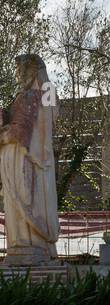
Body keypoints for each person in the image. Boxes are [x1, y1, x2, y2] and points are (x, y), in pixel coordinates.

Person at [0, 55, 59, 266]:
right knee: (23, 201)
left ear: (31, 70)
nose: (17, 75)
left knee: (27, 199)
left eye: (19, 70)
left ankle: (30, 245)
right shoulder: (38, 94)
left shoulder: (36, 94)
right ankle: (29, 246)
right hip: (27, 158)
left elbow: (23, 129)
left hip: (26, 157)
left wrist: (4, 132)